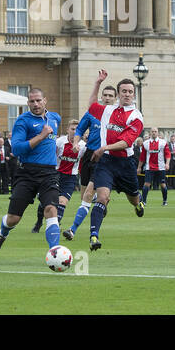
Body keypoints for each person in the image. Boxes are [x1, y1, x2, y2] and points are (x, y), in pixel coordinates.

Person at [0, 88, 64, 256]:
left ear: (45, 100)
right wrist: (41, 136)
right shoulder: (23, 121)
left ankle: (55, 251)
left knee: (51, 209)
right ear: (28, 103)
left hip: (49, 173)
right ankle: (2, 234)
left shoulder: (55, 118)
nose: (35, 104)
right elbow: (17, 148)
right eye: (32, 101)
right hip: (27, 172)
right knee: (13, 218)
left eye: (38, 100)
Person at [81, 70, 145, 252]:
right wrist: (98, 83)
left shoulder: (136, 116)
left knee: (133, 197)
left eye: (130, 91)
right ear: (119, 94)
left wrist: (104, 148)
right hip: (106, 162)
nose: (127, 94)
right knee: (102, 197)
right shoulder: (108, 110)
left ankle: (138, 203)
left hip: (126, 164)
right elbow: (91, 105)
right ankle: (94, 236)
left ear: (134, 94)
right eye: (123, 91)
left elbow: (127, 142)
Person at [66, 84, 117, 240]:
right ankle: (101, 204)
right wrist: (75, 143)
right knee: (84, 196)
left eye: (110, 96)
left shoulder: (117, 116)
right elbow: (80, 130)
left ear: (115, 99)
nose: (107, 98)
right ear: (101, 97)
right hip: (88, 156)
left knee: (88, 194)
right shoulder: (92, 113)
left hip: (104, 158)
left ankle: (72, 230)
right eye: (105, 95)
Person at [32, 119, 82, 234]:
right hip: (55, 174)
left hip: (70, 178)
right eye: (72, 129)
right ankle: (39, 222)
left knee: (62, 202)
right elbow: (49, 156)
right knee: (45, 202)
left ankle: (55, 225)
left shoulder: (83, 146)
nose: (74, 132)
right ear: (67, 130)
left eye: (77, 130)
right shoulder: (59, 142)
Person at [139, 129, 172, 207]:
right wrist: (139, 167)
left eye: (155, 131)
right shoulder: (145, 143)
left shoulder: (163, 142)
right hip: (149, 168)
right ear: (150, 133)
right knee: (146, 184)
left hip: (160, 167)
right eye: (152, 131)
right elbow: (142, 157)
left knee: (163, 184)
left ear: (157, 133)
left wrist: (167, 164)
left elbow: (168, 154)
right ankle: (144, 202)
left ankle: (165, 200)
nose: (154, 133)